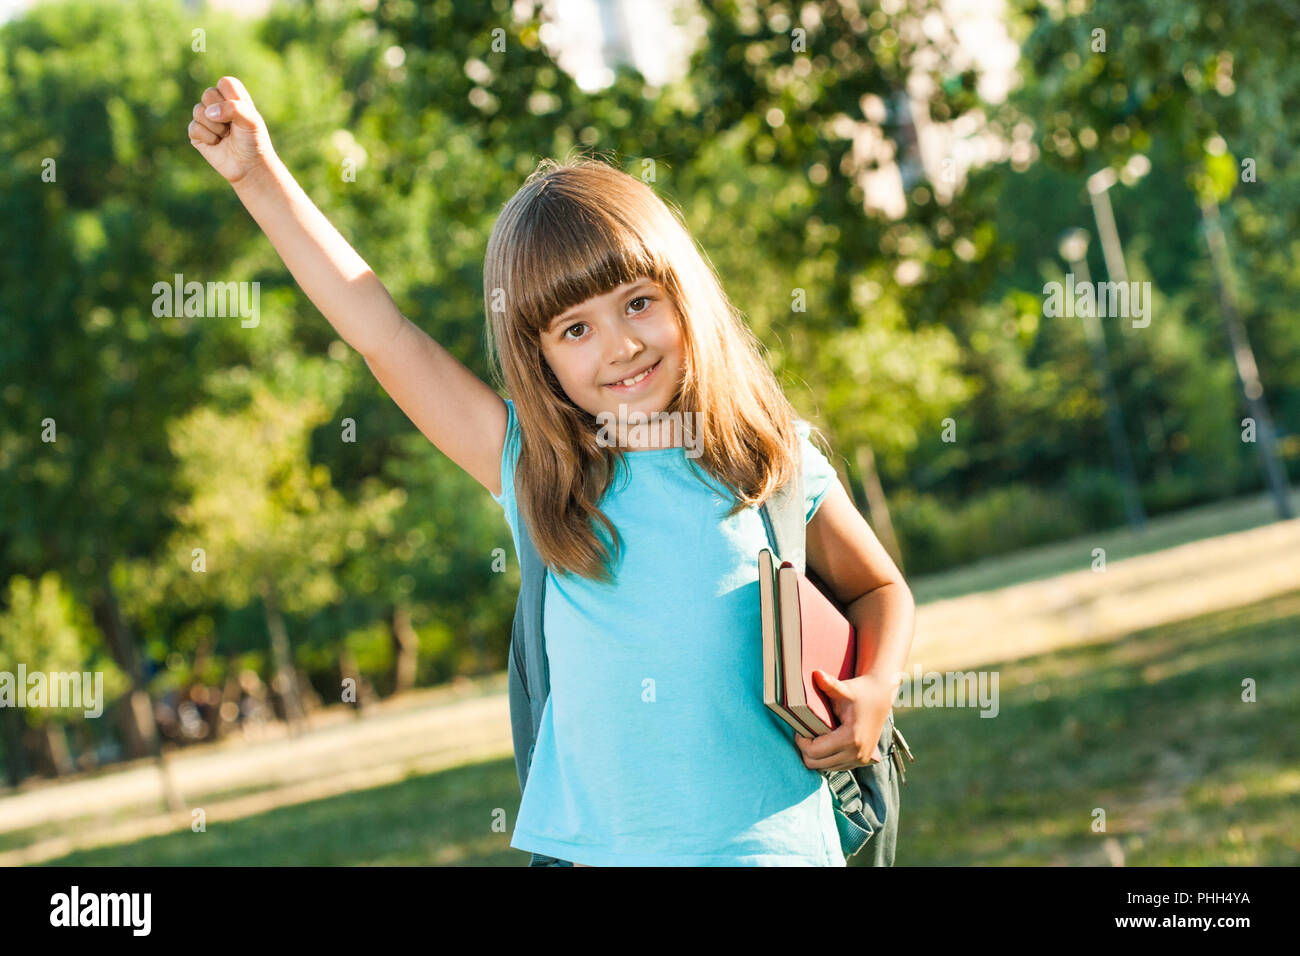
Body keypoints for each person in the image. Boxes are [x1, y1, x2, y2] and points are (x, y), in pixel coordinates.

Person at [188, 76, 915, 866]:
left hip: (778, 851)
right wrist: (258, 177)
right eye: (575, 327)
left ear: (684, 294)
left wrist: (873, 689)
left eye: (638, 302)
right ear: (539, 359)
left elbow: (879, 590)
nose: (620, 344)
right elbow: (382, 332)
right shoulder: (538, 474)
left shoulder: (769, 455)